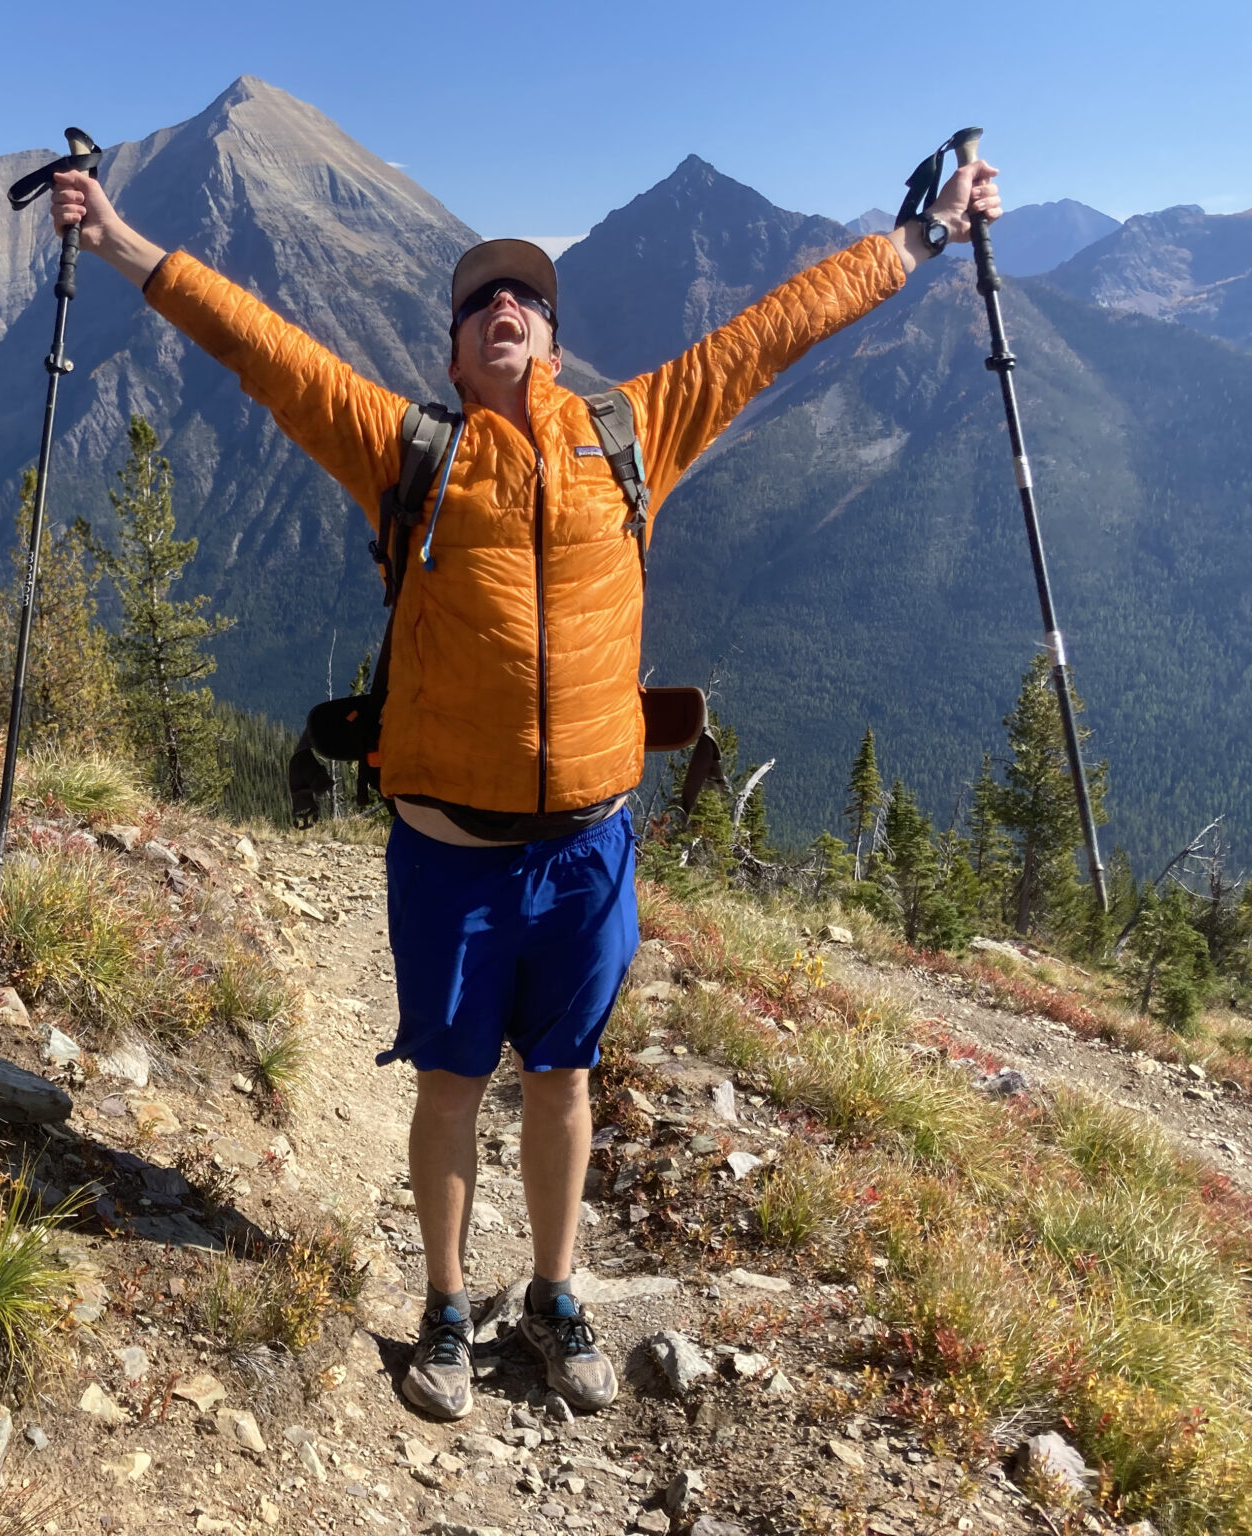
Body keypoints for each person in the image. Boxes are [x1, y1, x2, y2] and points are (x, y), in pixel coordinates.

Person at [50, 150, 1000, 1421]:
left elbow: (778, 331)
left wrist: (922, 240)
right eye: (479, 303)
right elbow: (260, 347)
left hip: (588, 846)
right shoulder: (403, 449)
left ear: (551, 337)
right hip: (449, 846)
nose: (505, 308)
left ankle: (554, 1295)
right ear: (451, 352)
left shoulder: (632, 431)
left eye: (527, 301)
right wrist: (115, 239)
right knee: (451, 1082)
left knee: (563, 1079)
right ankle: (444, 1309)